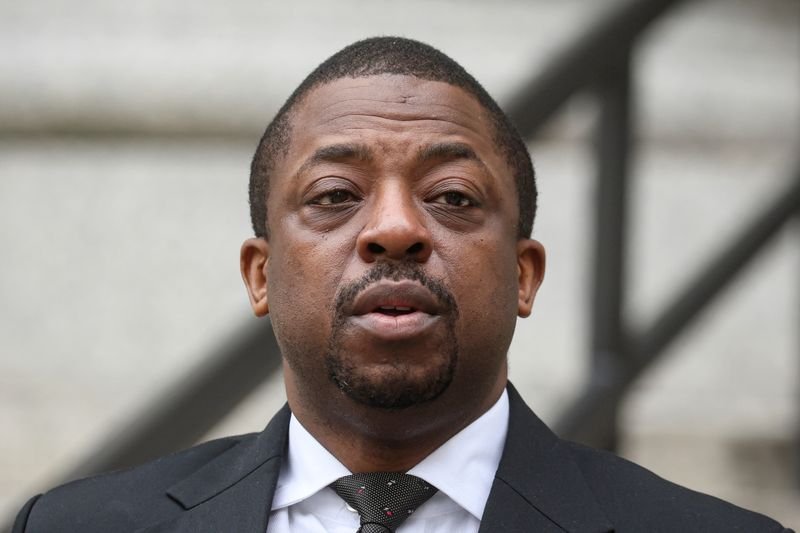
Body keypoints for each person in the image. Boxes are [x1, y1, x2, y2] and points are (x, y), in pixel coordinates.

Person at [13, 37, 792, 533]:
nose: (394, 228)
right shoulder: (75, 526)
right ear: (261, 275)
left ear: (524, 275)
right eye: (335, 197)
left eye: (452, 197)